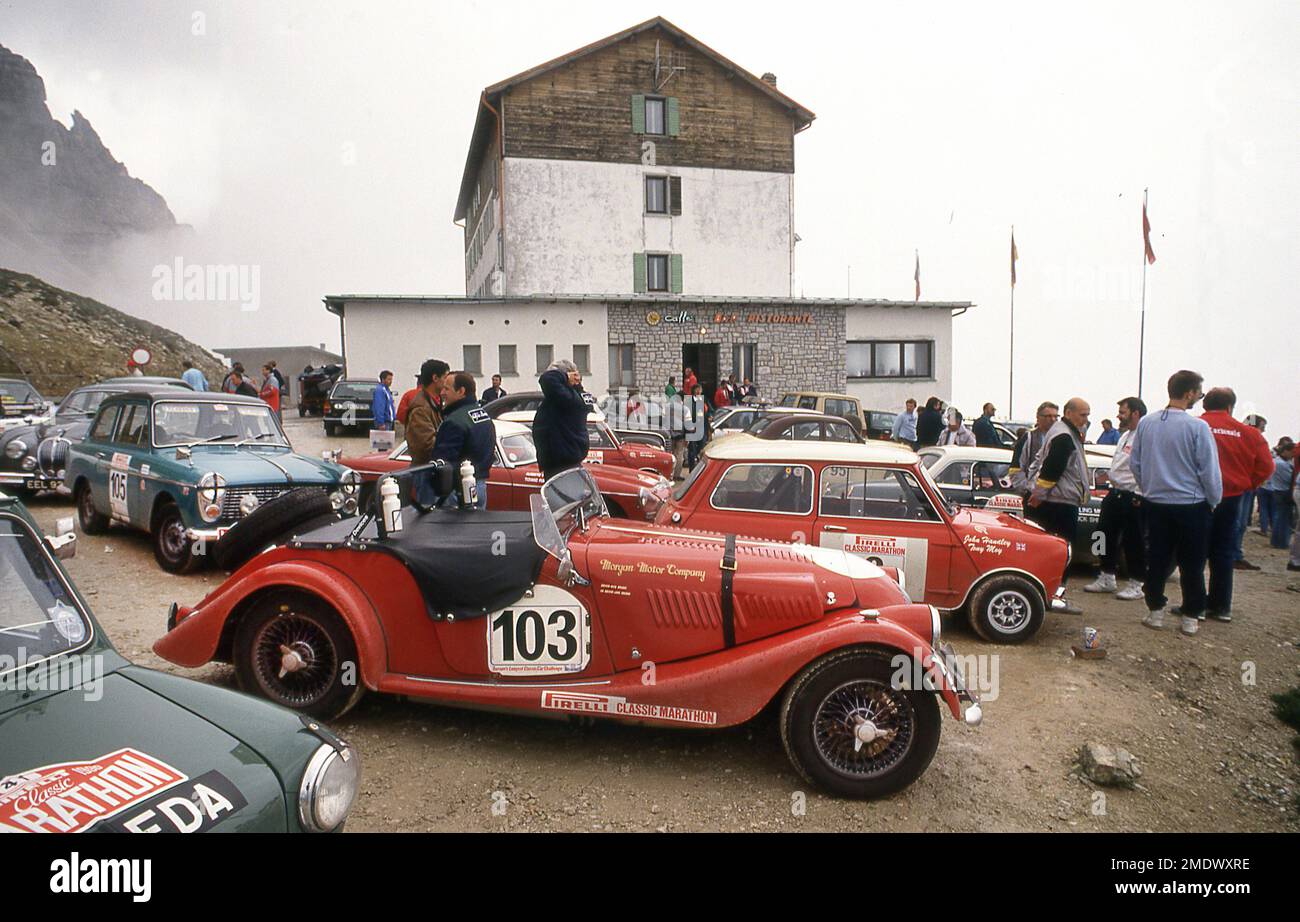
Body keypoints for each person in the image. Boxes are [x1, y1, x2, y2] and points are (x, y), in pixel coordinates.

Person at [1130, 370, 1222, 635]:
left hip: (1156, 502)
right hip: (1192, 504)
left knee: (1157, 559)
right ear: (1190, 393)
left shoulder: (1148, 423)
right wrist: (1213, 499)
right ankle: (1191, 616)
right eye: (1199, 393)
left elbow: (1135, 463)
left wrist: (1149, 486)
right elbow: (1208, 469)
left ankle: (1155, 611)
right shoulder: (1197, 427)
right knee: (1192, 562)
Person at [1200, 387, 1273, 621]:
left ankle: (1195, 605)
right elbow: (1266, 467)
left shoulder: (1195, 426)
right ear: (1230, 406)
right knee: (1223, 553)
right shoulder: (1249, 434)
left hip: (1197, 498)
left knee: (1195, 551)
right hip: (1231, 498)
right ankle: (1221, 607)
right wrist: (1246, 484)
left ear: (1205, 404)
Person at [1025, 397, 1092, 612]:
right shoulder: (1064, 435)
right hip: (1058, 503)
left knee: (1053, 551)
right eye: (1083, 415)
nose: (1086, 419)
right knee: (1064, 551)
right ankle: (1056, 596)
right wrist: (1038, 494)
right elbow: (1052, 469)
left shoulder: (1064, 432)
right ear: (1069, 412)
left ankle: (1049, 594)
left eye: (1088, 414)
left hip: (1056, 500)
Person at [1083, 397, 1148, 600]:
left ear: (1135, 413)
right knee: (1101, 534)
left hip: (1133, 495)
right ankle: (1106, 575)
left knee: (1133, 541)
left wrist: (1140, 493)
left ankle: (1137, 583)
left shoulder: (1146, 436)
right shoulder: (1125, 435)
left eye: (1123, 412)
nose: (1119, 416)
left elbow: (1147, 468)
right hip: (1115, 492)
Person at [430, 371, 494, 508]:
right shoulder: (482, 414)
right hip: (480, 485)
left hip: (457, 492)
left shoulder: (455, 421)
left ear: (461, 391)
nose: (442, 393)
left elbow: (444, 463)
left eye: (447, 389)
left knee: (449, 530)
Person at [534, 359, 591, 480]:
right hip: (566, 457)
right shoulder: (576, 395)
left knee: (561, 497)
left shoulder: (567, 398)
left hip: (560, 460)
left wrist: (565, 375)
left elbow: (547, 379)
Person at [406, 359, 449, 505]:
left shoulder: (433, 402)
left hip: (433, 470)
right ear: (435, 378)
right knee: (429, 518)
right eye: (445, 377)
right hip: (426, 471)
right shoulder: (421, 408)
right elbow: (425, 443)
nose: (446, 382)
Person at [1234, 413, 1268, 568]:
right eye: (1262, 427)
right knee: (1239, 522)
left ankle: (1233, 553)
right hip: (1244, 485)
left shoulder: (1237, 436)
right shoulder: (1252, 438)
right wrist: (1253, 482)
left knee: (1237, 522)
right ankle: (1234, 555)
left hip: (1237, 484)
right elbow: (1266, 465)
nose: (1263, 431)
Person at [1009, 402, 1060, 493]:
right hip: (1033, 493)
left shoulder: (1062, 439)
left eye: (1055, 416)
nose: (1053, 419)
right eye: (1048, 416)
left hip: (1055, 495)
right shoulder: (1029, 438)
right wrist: (1026, 488)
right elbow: (1016, 468)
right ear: (1038, 417)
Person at [1262, 438, 1295, 549]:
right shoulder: (1282, 464)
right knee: (1283, 519)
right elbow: (1291, 479)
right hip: (1283, 491)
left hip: (1277, 490)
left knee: (1278, 517)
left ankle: (1276, 541)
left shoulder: (1276, 461)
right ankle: (1281, 542)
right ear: (1286, 451)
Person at [685, 383, 709, 471]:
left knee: (701, 450)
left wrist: (709, 415)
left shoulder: (703, 400)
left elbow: (708, 410)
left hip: (702, 428)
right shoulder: (689, 401)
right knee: (692, 451)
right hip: (692, 429)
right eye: (697, 389)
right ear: (693, 391)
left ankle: (700, 469)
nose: (699, 391)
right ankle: (692, 469)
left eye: (700, 389)